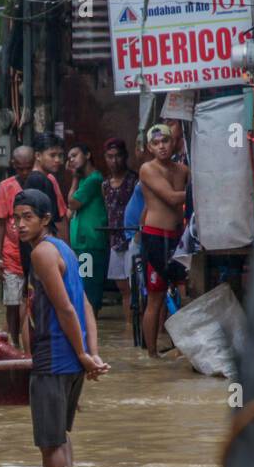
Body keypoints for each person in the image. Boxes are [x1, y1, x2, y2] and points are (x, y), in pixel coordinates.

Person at [13, 189, 109, 467]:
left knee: (49, 443)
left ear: (45, 219)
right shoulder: (63, 248)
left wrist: (83, 354)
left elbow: (68, 308)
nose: (19, 224)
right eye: (15, 218)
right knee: (59, 436)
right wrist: (90, 354)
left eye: (27, 217)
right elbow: (86, 306)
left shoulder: (42, 253)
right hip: (70, 360)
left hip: (54, 358)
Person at [138, 125, 189, 359]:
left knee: (188, 291)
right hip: (156, 237)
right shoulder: (147, 169)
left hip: (179, 237)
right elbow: (170, 198)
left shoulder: (183, 169)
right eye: (156, 143)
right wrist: (201, 190)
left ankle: (187, 347)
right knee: (155, 297)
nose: (161, 146)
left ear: (174, 143)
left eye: (165, 141)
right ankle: (152, 356)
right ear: (150, 147)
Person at [0, 146, 36, 346]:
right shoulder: (6, 187)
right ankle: (14, 343)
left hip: (36, 253)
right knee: (11, 302)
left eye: (28, 168)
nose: (25, 173)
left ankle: (29, 345)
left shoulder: (43, 182)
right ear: (13, 165)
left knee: (31, 301)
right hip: (12, 255)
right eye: (21, 169)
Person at [66, 143, 109, 314]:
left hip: (89, 243)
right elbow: (69, 212)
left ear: (88, 155)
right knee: (83, 283)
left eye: (74, 155)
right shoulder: (86, 180)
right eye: (69, 158)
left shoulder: (94, 179)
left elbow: (73, 203)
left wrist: (74, 179)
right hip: (82, 243)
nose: (71, 160)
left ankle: (91, 322)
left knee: (89, 285)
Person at [101, 138, 139, 322]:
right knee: (123, 288)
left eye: (117, 156)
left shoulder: (135, 180)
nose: (114, 161)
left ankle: (136, 331)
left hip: (133, 238)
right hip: (115, 241)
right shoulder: (105, 185)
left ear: (125, 157)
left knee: (137, 287)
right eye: (110, 157)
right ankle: (128, 328)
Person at [32, 132, 70, 246]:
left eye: (60, 155)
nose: (58, 160)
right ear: (38, 156)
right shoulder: (40, 181)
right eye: (52, 155)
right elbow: (50, 221)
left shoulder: (42, 179)